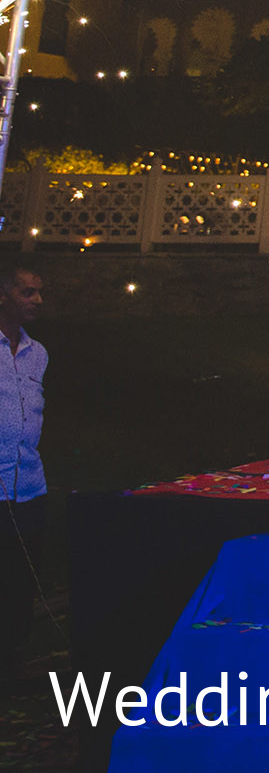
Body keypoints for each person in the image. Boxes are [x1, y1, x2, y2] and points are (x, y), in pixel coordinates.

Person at [0, 268, 44, 676]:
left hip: (27, 483)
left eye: (38, 293)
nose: (36, 299)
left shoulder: (37, 353)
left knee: (20, 578)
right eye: (26, 292)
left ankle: (14, 652)